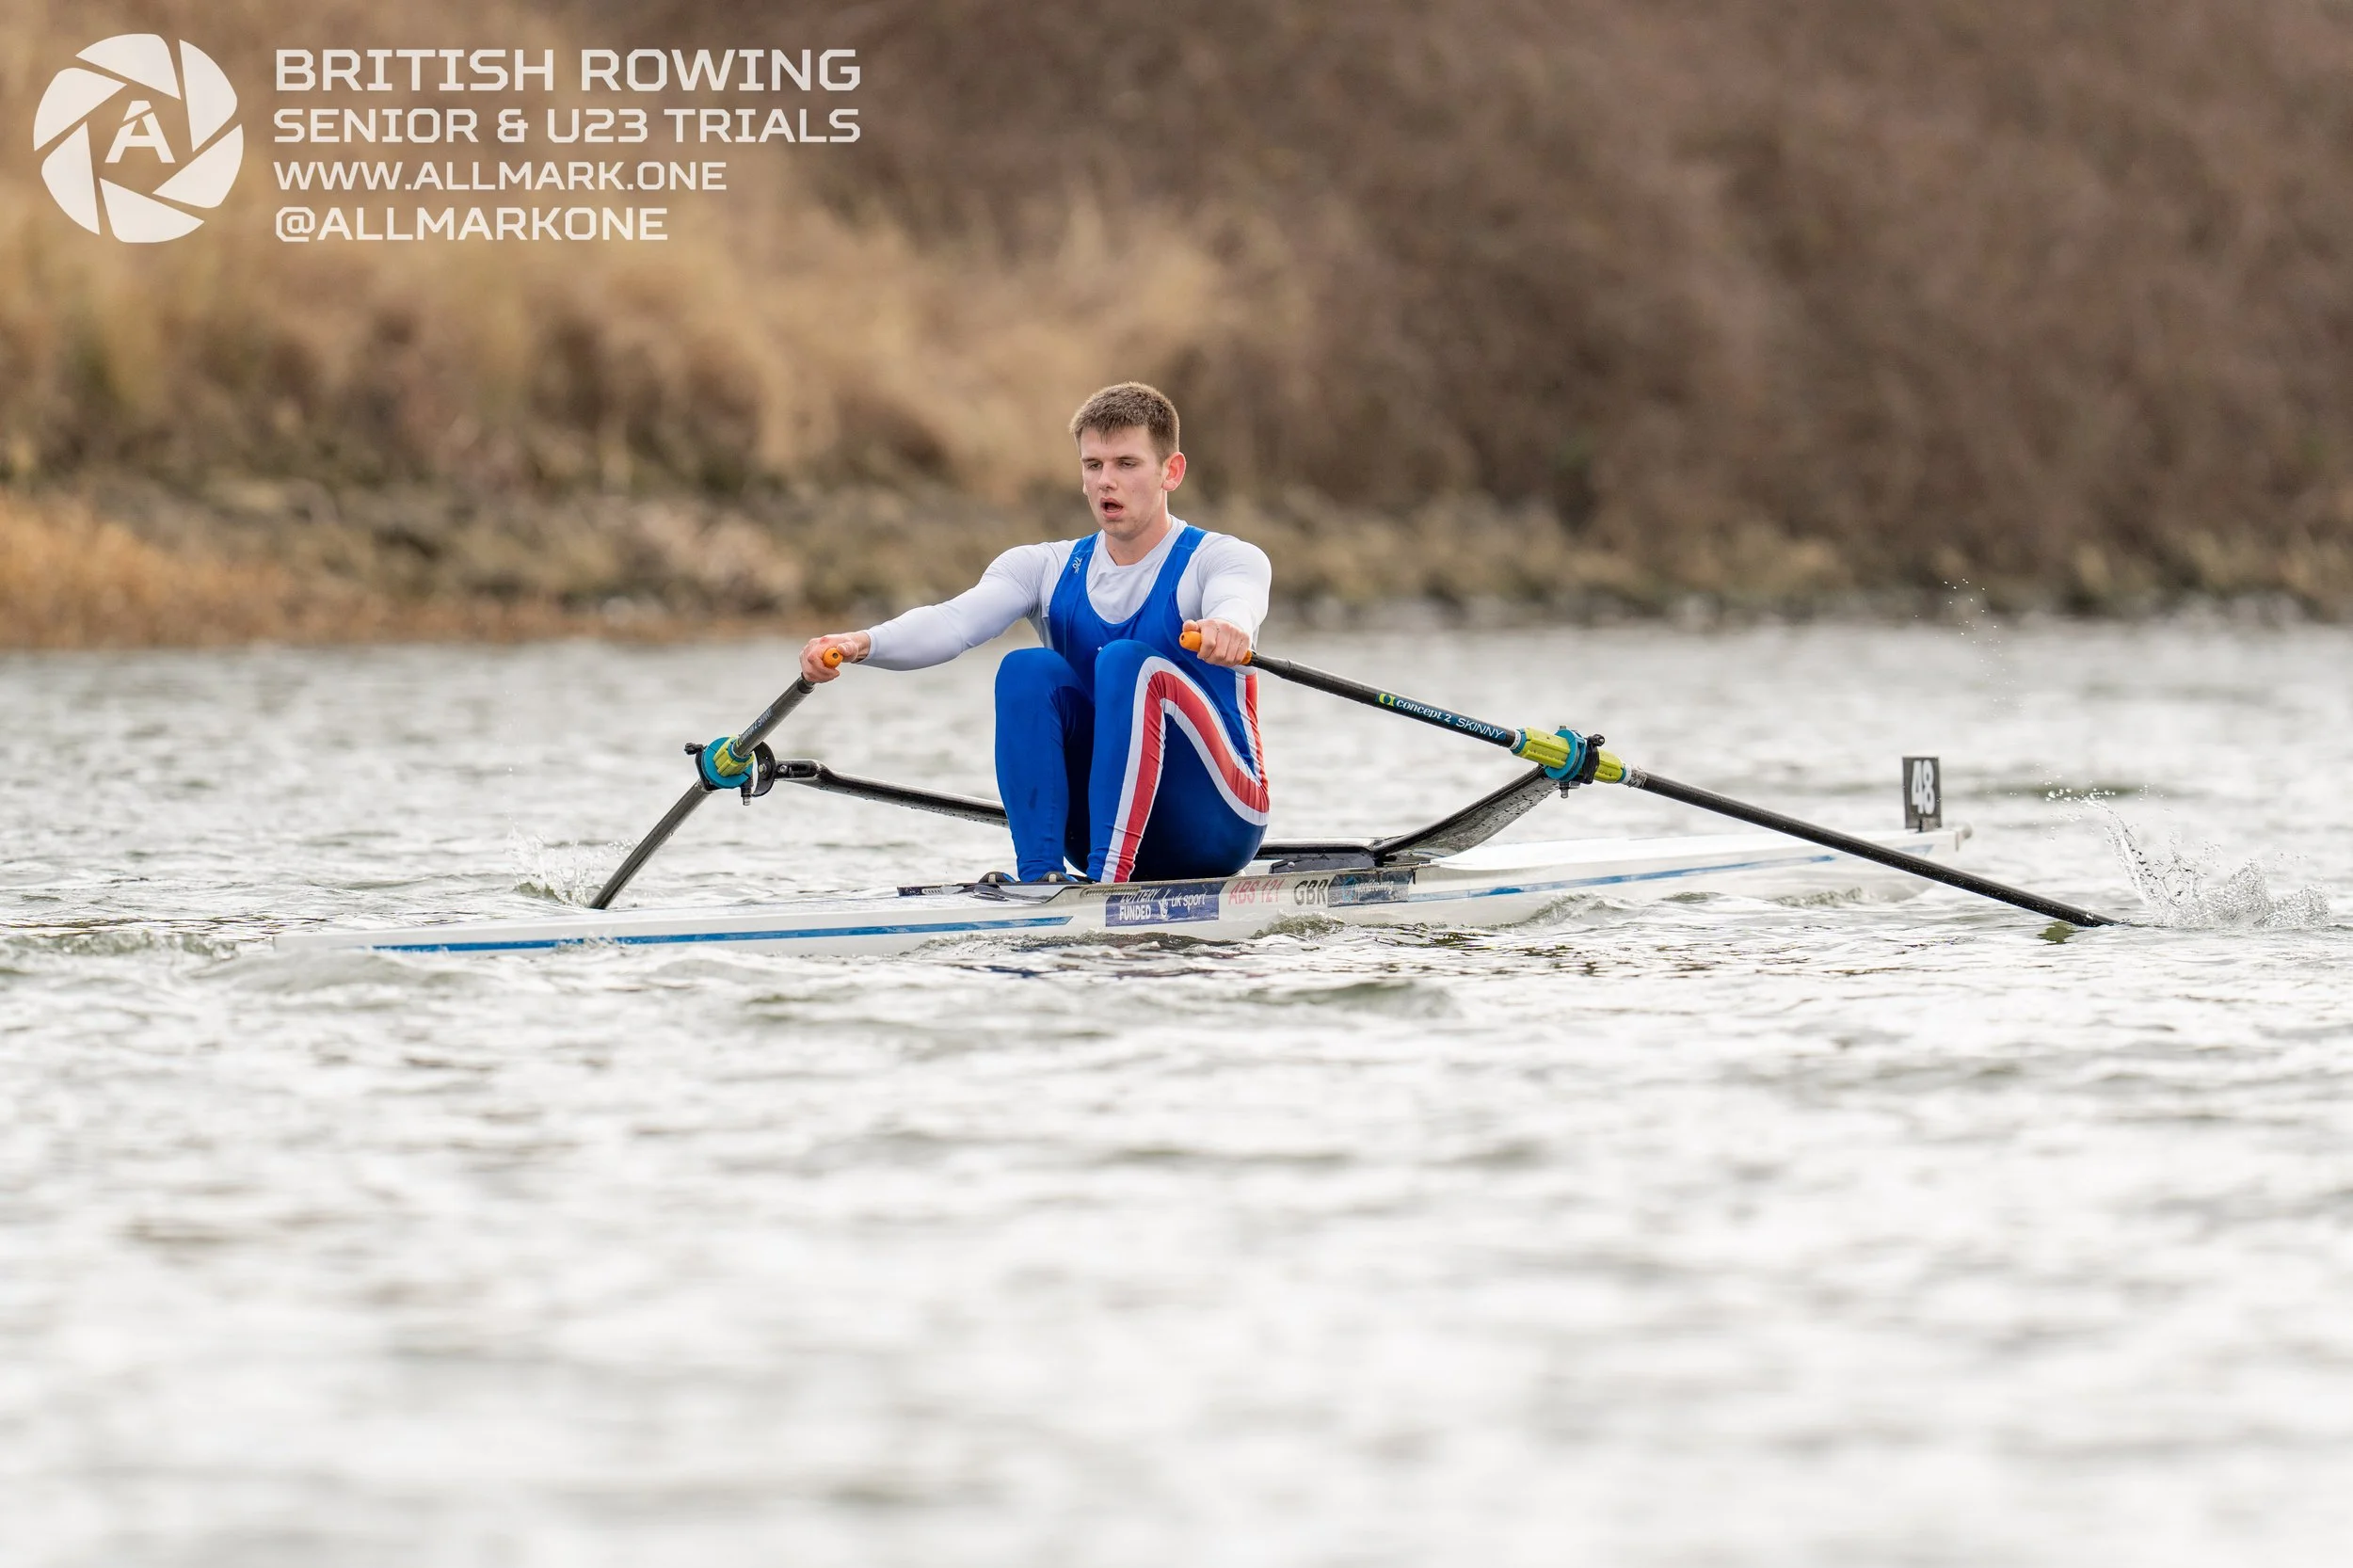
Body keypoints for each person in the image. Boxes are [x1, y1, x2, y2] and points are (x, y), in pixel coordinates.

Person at [797, 383, 1272, 885]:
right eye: (1093, 466)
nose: (1106, 482)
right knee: (1025, 668)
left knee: (1126, 662)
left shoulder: (1221, 558)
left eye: (1126, 465)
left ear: (1170, 472)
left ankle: (1107, 886)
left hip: (1216, 820)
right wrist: (859, 644)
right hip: (1091, 826)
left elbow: (1238, 597)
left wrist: (1229, 627)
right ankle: (1041, 881)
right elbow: (953, 622)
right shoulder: (1042, 566)